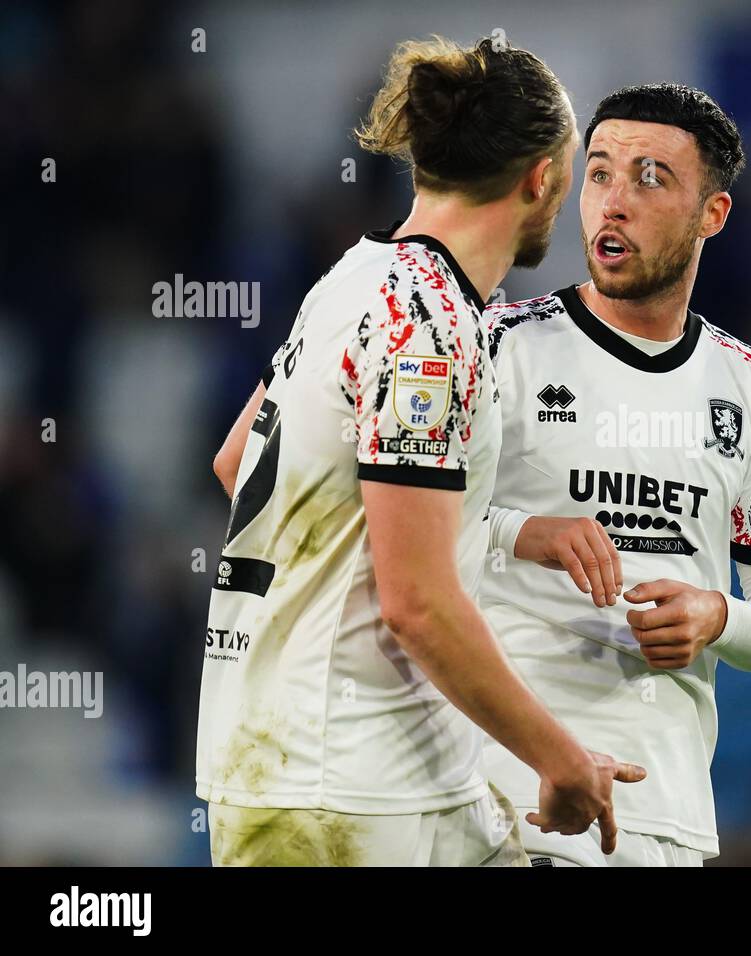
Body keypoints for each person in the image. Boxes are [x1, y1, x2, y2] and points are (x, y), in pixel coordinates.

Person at [197, 35, 643, 867]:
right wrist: (561, 759)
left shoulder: (351, 280)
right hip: (351, 791)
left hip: (310, 765)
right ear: (541, 176)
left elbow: (236, 462)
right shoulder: (429, 327)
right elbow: (418, 604)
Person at [481, 84, 751, 866]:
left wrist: (718, 615)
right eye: (598, 174)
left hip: (663, 818)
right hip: (503, 802)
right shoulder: (499, 347)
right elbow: (383, 530)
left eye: (651, 178)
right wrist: (522, 533)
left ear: (714, 214)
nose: (614, 202)